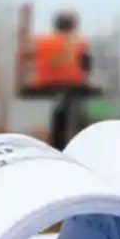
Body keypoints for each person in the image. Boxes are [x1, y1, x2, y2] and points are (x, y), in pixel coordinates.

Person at [34, 10, 92, 150]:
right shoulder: (79, 43)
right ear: (73, 26)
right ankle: (79, 141)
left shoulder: (42, 42)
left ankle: (53, 143)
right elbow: (86, 66)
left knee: (57, 117)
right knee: (78, 112)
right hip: (72, 86)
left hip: (44, 85)